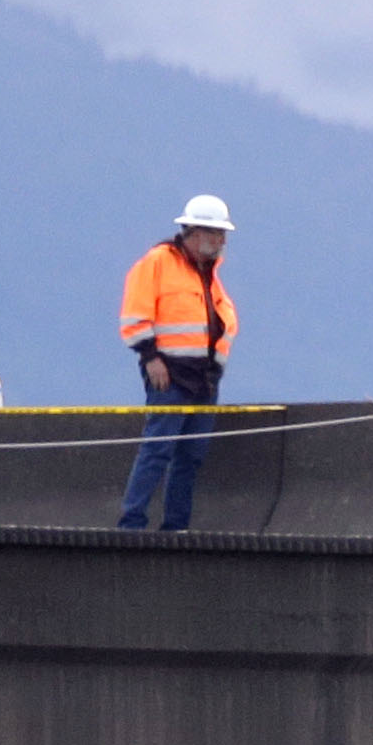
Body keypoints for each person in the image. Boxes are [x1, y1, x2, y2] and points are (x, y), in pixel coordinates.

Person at [116, 196, 238, 532]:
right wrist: (150, 357)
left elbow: (222, 324)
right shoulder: (157, 263)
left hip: (203, 378)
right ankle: (132, 524)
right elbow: (135, 315)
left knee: (191, 456)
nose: (221, 241)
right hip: (168, 375)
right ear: (193, 232)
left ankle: (176, 528)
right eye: (215, 233)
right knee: (158, 450)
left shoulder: (208, 274)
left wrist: (215, 370)